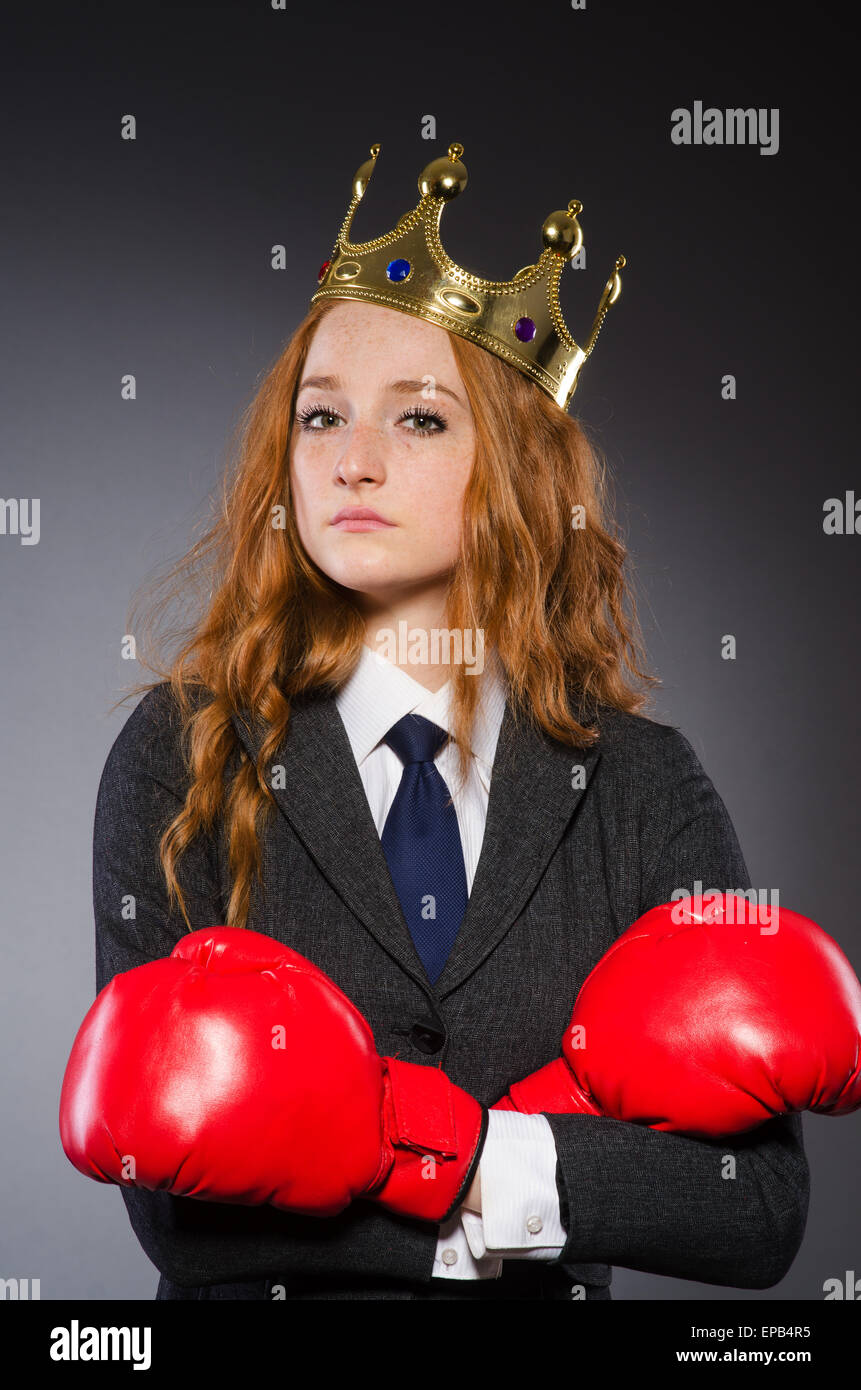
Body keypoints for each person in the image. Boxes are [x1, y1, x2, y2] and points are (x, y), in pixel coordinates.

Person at [80, 142, 810, 1300]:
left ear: (512, 469)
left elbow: (757, 1212)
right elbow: (175, 1210)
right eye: (320, 419)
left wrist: (466, 1157)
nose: (353, 463)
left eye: (419, 422)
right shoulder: (183, 754)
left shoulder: (642, 785)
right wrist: (511, 1197)